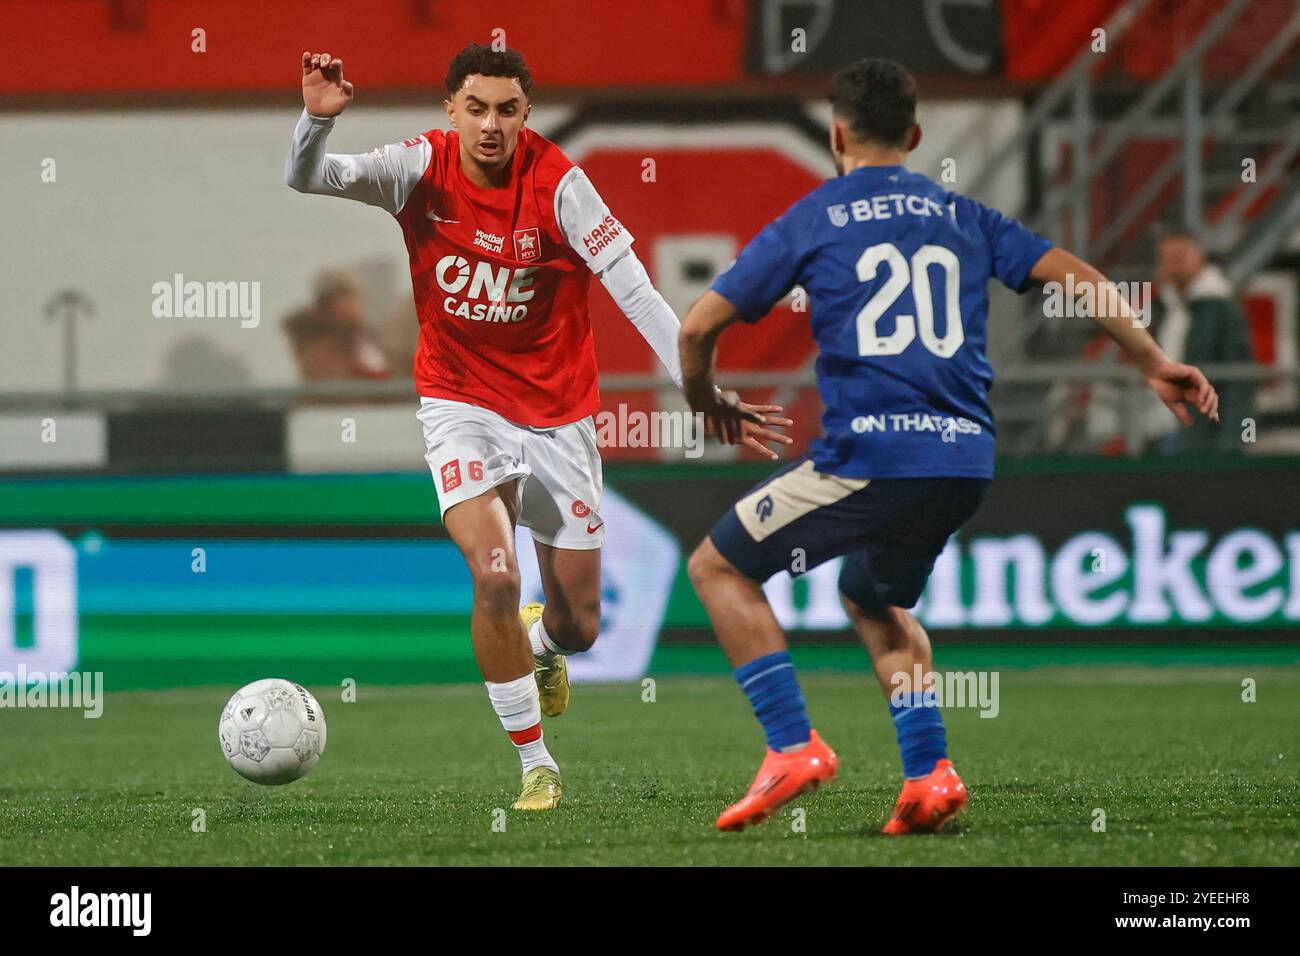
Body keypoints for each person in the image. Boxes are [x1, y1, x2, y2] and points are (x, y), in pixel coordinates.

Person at [679, 59, 1219, 834]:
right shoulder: (964, 215)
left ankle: (792, 746)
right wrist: (1152, 359)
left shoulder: (816, 216)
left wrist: (707, 403)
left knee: (718, 566)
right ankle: (929, 773)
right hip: (964, 461)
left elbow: (697, 326)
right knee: (875, 598)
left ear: (836, 135)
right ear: (917, 135)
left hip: (871, 458)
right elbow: (1073, 274)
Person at [285, 44, 787, 811]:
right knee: (493, 573)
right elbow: (309, 176)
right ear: (450, 110)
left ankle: (543, 644)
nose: (492, 125)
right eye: (476, 108)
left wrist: (696, 384)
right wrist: (317, 124)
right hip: (459, 404)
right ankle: (535, 764)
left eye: (508, 110)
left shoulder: (561, 186)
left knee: (580, 624)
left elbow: (637, 291)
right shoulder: (418, 167)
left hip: (558, 417)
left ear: (527, 114)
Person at [1147, 231, 1254, 453]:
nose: (1175, 265)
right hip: (1166, 427)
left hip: (1205, 434)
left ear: (1200, 257)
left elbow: (1241, 381)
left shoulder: (1222, 309)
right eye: (1168, 258)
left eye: (1181, 256)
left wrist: (1239, 438)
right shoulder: (1164, 309)